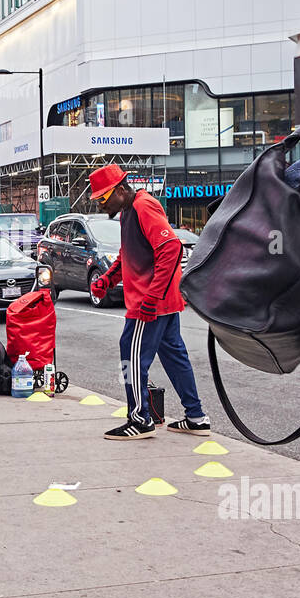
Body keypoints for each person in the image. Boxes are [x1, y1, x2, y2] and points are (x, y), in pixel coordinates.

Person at [87, 165, 211, 440]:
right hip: (160, 302)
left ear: (120, 190)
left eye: (103, 199)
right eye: (97, 200)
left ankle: (139, 419)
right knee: (175, 357)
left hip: (150, 303)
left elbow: (171, 249)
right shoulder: (128, 213)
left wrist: (151, 299)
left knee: (130, 355)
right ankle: (196, 417)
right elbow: (128, 254)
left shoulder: (144, 206)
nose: (100, 205)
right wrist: (108, 279)